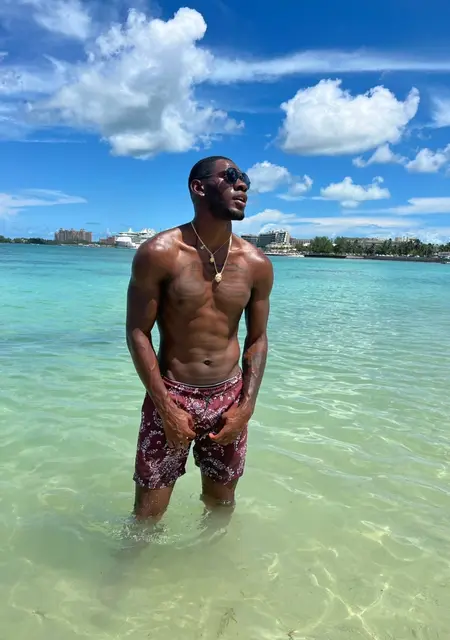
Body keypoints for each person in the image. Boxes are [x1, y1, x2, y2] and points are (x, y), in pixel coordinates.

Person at [126, 155, 273, 523]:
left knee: (221, 506)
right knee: (147, 516)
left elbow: (257, 339)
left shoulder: (256, 263)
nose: (243, 184)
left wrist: (246, 408)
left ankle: (214, 558)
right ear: (199, 187)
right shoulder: (159, 254)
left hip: (229, 398)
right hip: (171, 394)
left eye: (245, 178)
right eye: (232, 176)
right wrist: (166, 408)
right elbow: (138, 332)